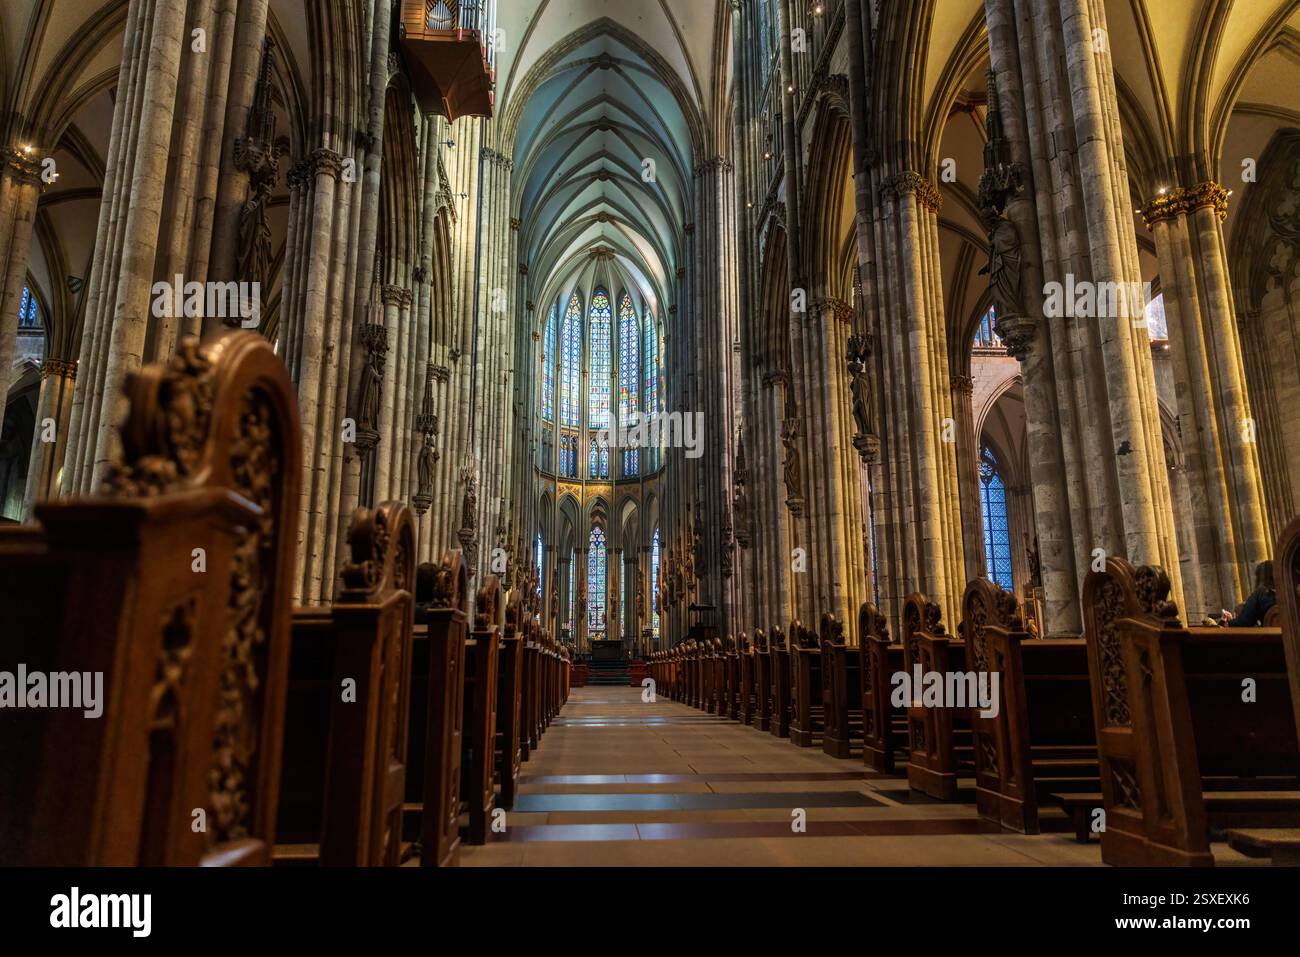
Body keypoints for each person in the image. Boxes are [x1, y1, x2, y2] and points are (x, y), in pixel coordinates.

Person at [1220, 561, 1276, 627]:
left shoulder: (1260, 594)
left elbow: (1243, 622)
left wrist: (1226, 623)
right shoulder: (1288, 592)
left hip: (1271, 635)